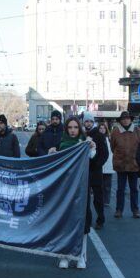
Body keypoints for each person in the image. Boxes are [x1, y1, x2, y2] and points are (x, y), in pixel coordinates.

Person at [52, 116, 97, 269]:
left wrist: (92, 147)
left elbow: (94, 158)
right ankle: (64, 256)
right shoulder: (61, 145)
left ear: (80, 129)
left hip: (81, 190)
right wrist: (51, 153)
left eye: (75, 127)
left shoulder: (85, 144)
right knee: (65, 222)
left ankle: (80, 256)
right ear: (66, 129)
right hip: (64, 190)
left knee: (82, 223)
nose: (73, 130)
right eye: (70, 127)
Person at [111, 111, 140, 219]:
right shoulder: (115, 132)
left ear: (130, 119)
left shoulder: (138, 131)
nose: (125, 120)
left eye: (127, 118)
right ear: (120, 121)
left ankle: (135, 210)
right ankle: (119, 210)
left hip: (134, 165)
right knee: (120, 189)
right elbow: (112, 147)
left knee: (134, 189)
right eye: (123, 119)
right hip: (120, 165)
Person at [82, 113, 108, 228]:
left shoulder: (99, 136)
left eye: (90, 121)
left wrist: (97, 164)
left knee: (98, 198)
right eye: (86, 121)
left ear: (93, 123)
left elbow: (105, 154)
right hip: (83, 171)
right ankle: (87, 219)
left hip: (96, 171)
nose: (88, 123)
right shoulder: (81, 135)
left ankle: (100, 219)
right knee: (85, 198)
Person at [98, 121, 114, 207]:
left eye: (104, 128)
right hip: (99, 165)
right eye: (100, 128)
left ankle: (106, 201)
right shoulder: (96, 139)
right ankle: (100, 200)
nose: (102, 129)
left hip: (108, 165)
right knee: (99, 185)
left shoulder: (110, 139)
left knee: (107, 185)